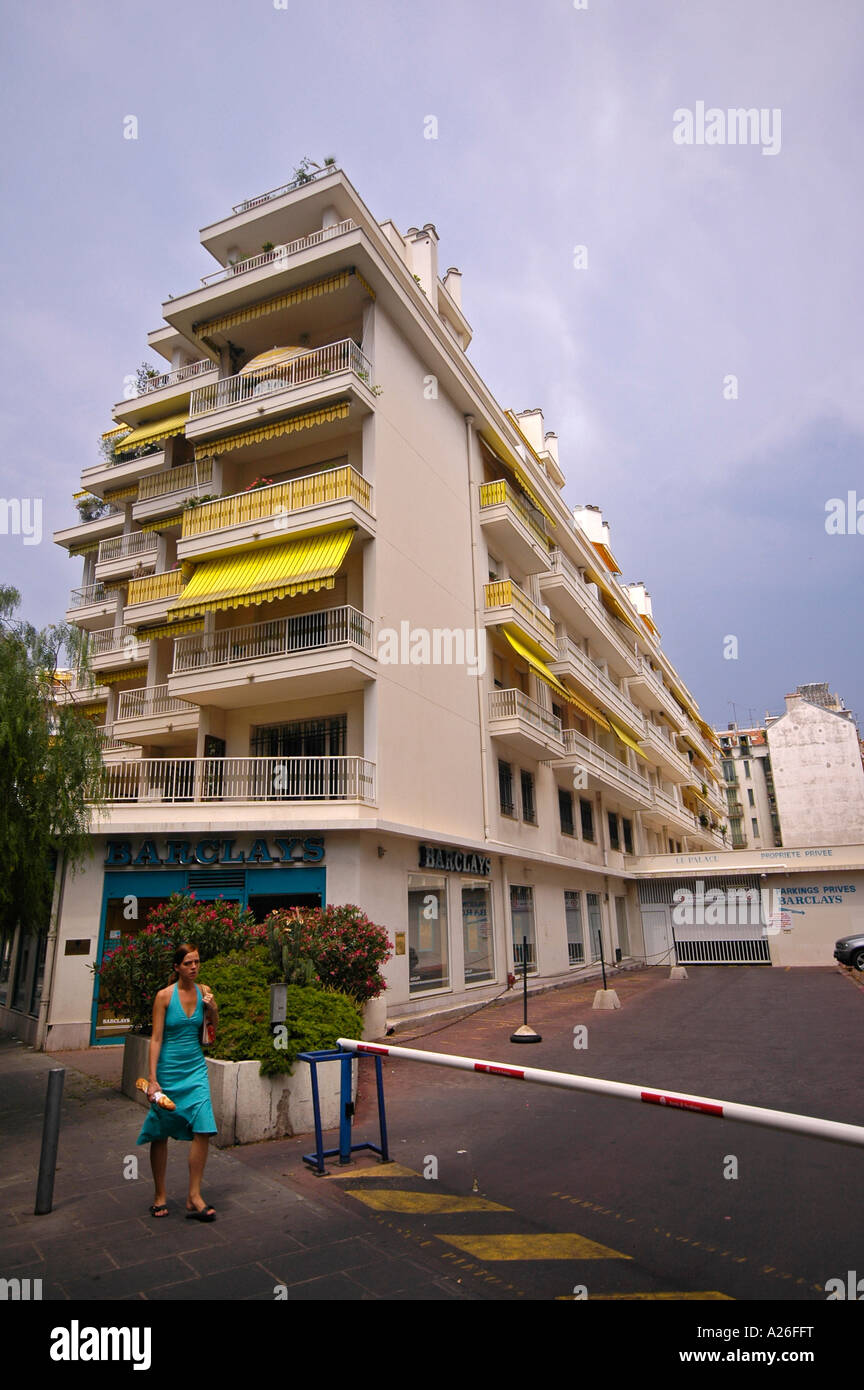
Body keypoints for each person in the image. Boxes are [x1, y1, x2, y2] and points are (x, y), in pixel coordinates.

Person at [136, 942, 219, 1220]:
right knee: (160, 1130)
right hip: (169, 1069)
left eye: (196, 962)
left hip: (195, 1068)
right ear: (177, 967)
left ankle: (194, 1195)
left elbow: (210, 1033)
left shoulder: (204, 992)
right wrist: (152, 1079)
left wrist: (214, 1010)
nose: (194, 967)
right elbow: (156, 1038)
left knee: (204, 1127)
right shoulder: (163, 997)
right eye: (188, 963)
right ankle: (160, 1195)